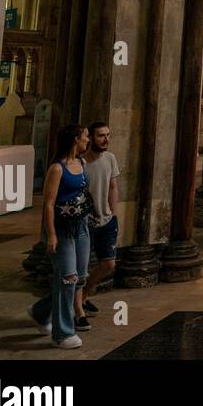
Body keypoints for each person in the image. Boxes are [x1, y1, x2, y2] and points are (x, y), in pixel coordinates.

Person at [28, 124, 92, 348]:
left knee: (78, 278)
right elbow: (48, 203)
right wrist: (52, 234)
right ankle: (63, 333)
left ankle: (41, 311)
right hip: (61, 230)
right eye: (85, 137)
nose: (88, 140)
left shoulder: (82, 163)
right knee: (67, 278)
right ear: (75, 139)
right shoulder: (57, 169)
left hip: (81, 227)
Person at [81, 121, 121, 315]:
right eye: (100, 135)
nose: (105, 139)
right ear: (90, 138)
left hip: (106, 220)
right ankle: (77, 306)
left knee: (109, 264)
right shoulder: (80, 162)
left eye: (107, 135)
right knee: (80, 267)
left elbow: (113, 187)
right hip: (86, 221)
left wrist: (113, 214)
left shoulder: (110, 158)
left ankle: (84, 294)